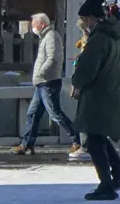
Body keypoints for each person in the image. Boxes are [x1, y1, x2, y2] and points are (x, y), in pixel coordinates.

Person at [72, 0, 120, 201]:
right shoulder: (115, 34)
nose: (83, 23)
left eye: (84, 19)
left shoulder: (99, 38)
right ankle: (119, 172)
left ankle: (107, 184)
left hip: (100, 94)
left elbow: (86, 72)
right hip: (114, 91)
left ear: (91, 18)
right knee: (97, 136)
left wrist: (76, 79)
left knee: (93, 138)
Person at [11, 13, 83, 157]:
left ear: (41, 24)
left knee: (55, 114)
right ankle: (26, 145)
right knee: (33, 113)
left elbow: (53, 58)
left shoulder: (51, 36)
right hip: (42, 83)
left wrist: (42, 73)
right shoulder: (45, 37)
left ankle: (77, 140)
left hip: (48, 82)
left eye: (33, 25)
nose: (32, 28)